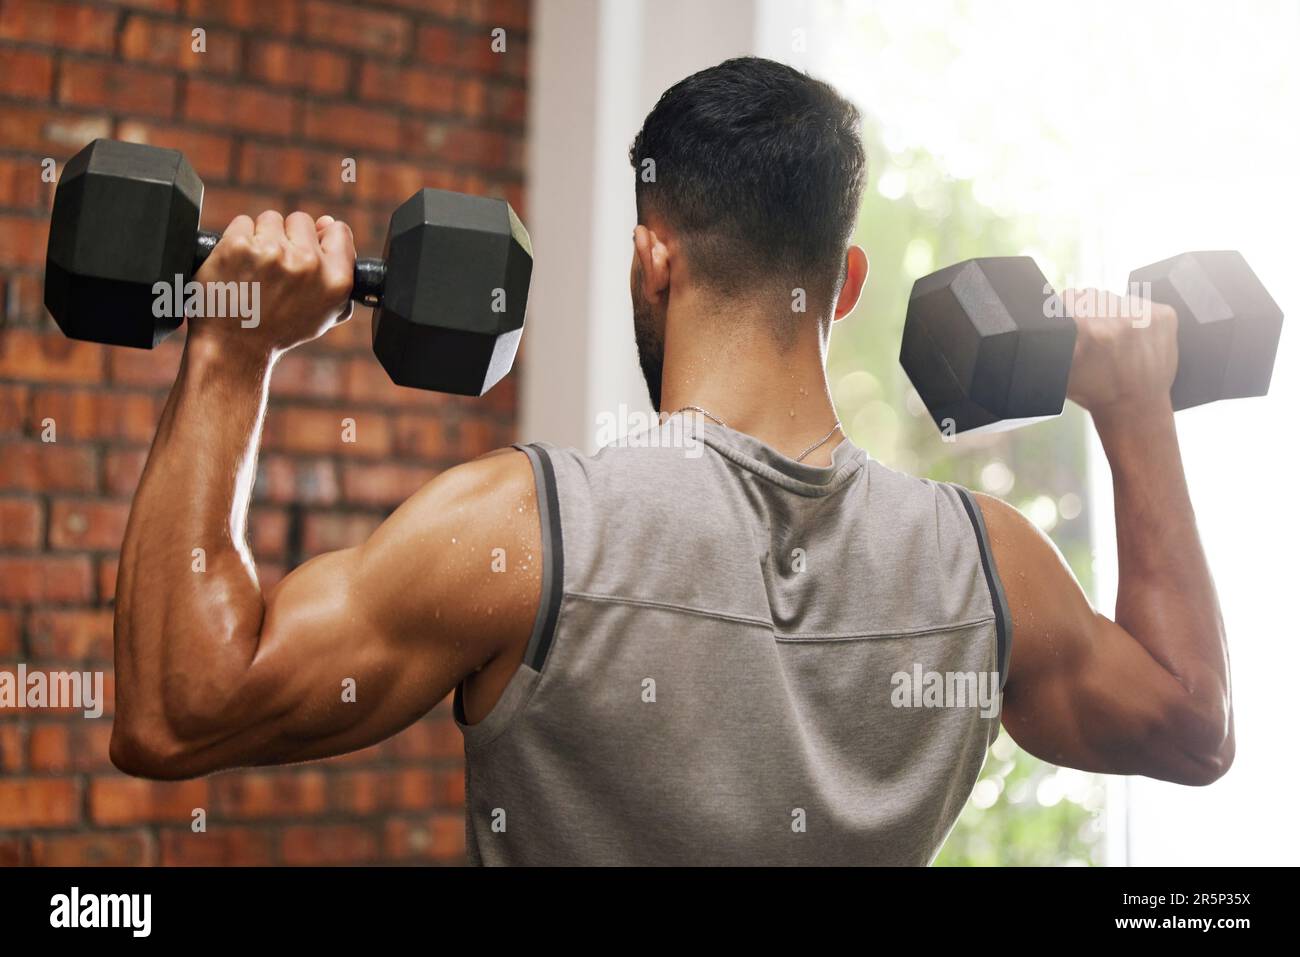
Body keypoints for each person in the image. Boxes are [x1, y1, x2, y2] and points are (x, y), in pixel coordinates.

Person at [110, 57, 1233, 865]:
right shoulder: (987, 572)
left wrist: (232, 348)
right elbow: (1193, 730)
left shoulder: (524, 533)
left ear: (653, 260)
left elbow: (177, 715)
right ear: (841, 284)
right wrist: (1133, 409)